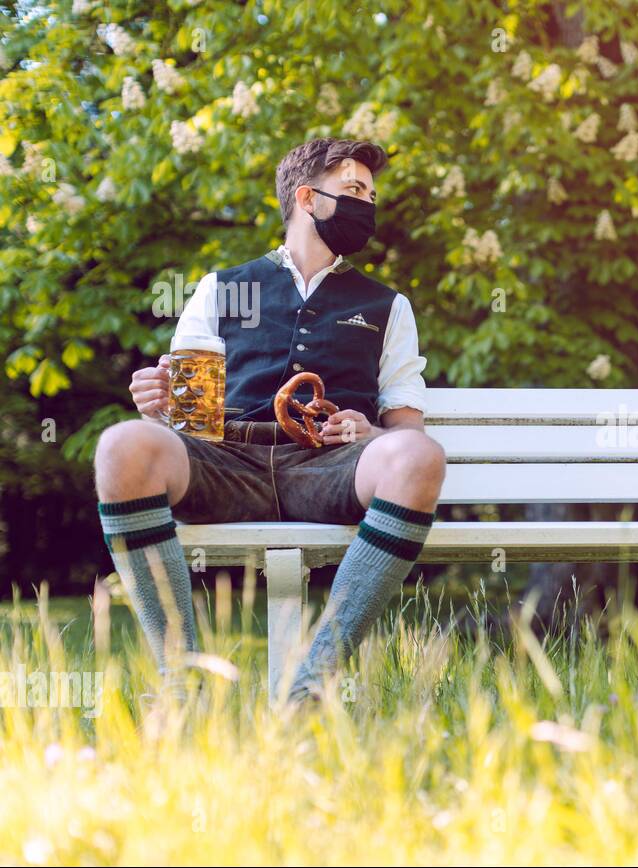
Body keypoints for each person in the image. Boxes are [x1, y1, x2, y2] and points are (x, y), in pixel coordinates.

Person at [94, 137, 446, 704]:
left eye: (372, 196)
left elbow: (407, 434)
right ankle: (183, 681)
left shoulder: (387, 305)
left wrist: (369, 432)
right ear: (307, 198)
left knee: (419, 457)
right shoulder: (222, 288)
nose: (368, 206)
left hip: (329, 468)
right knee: (121, 446)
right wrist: (158, 405)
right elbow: (188, 419)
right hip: (228, 460)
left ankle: (312, 684)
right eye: (354, 190)